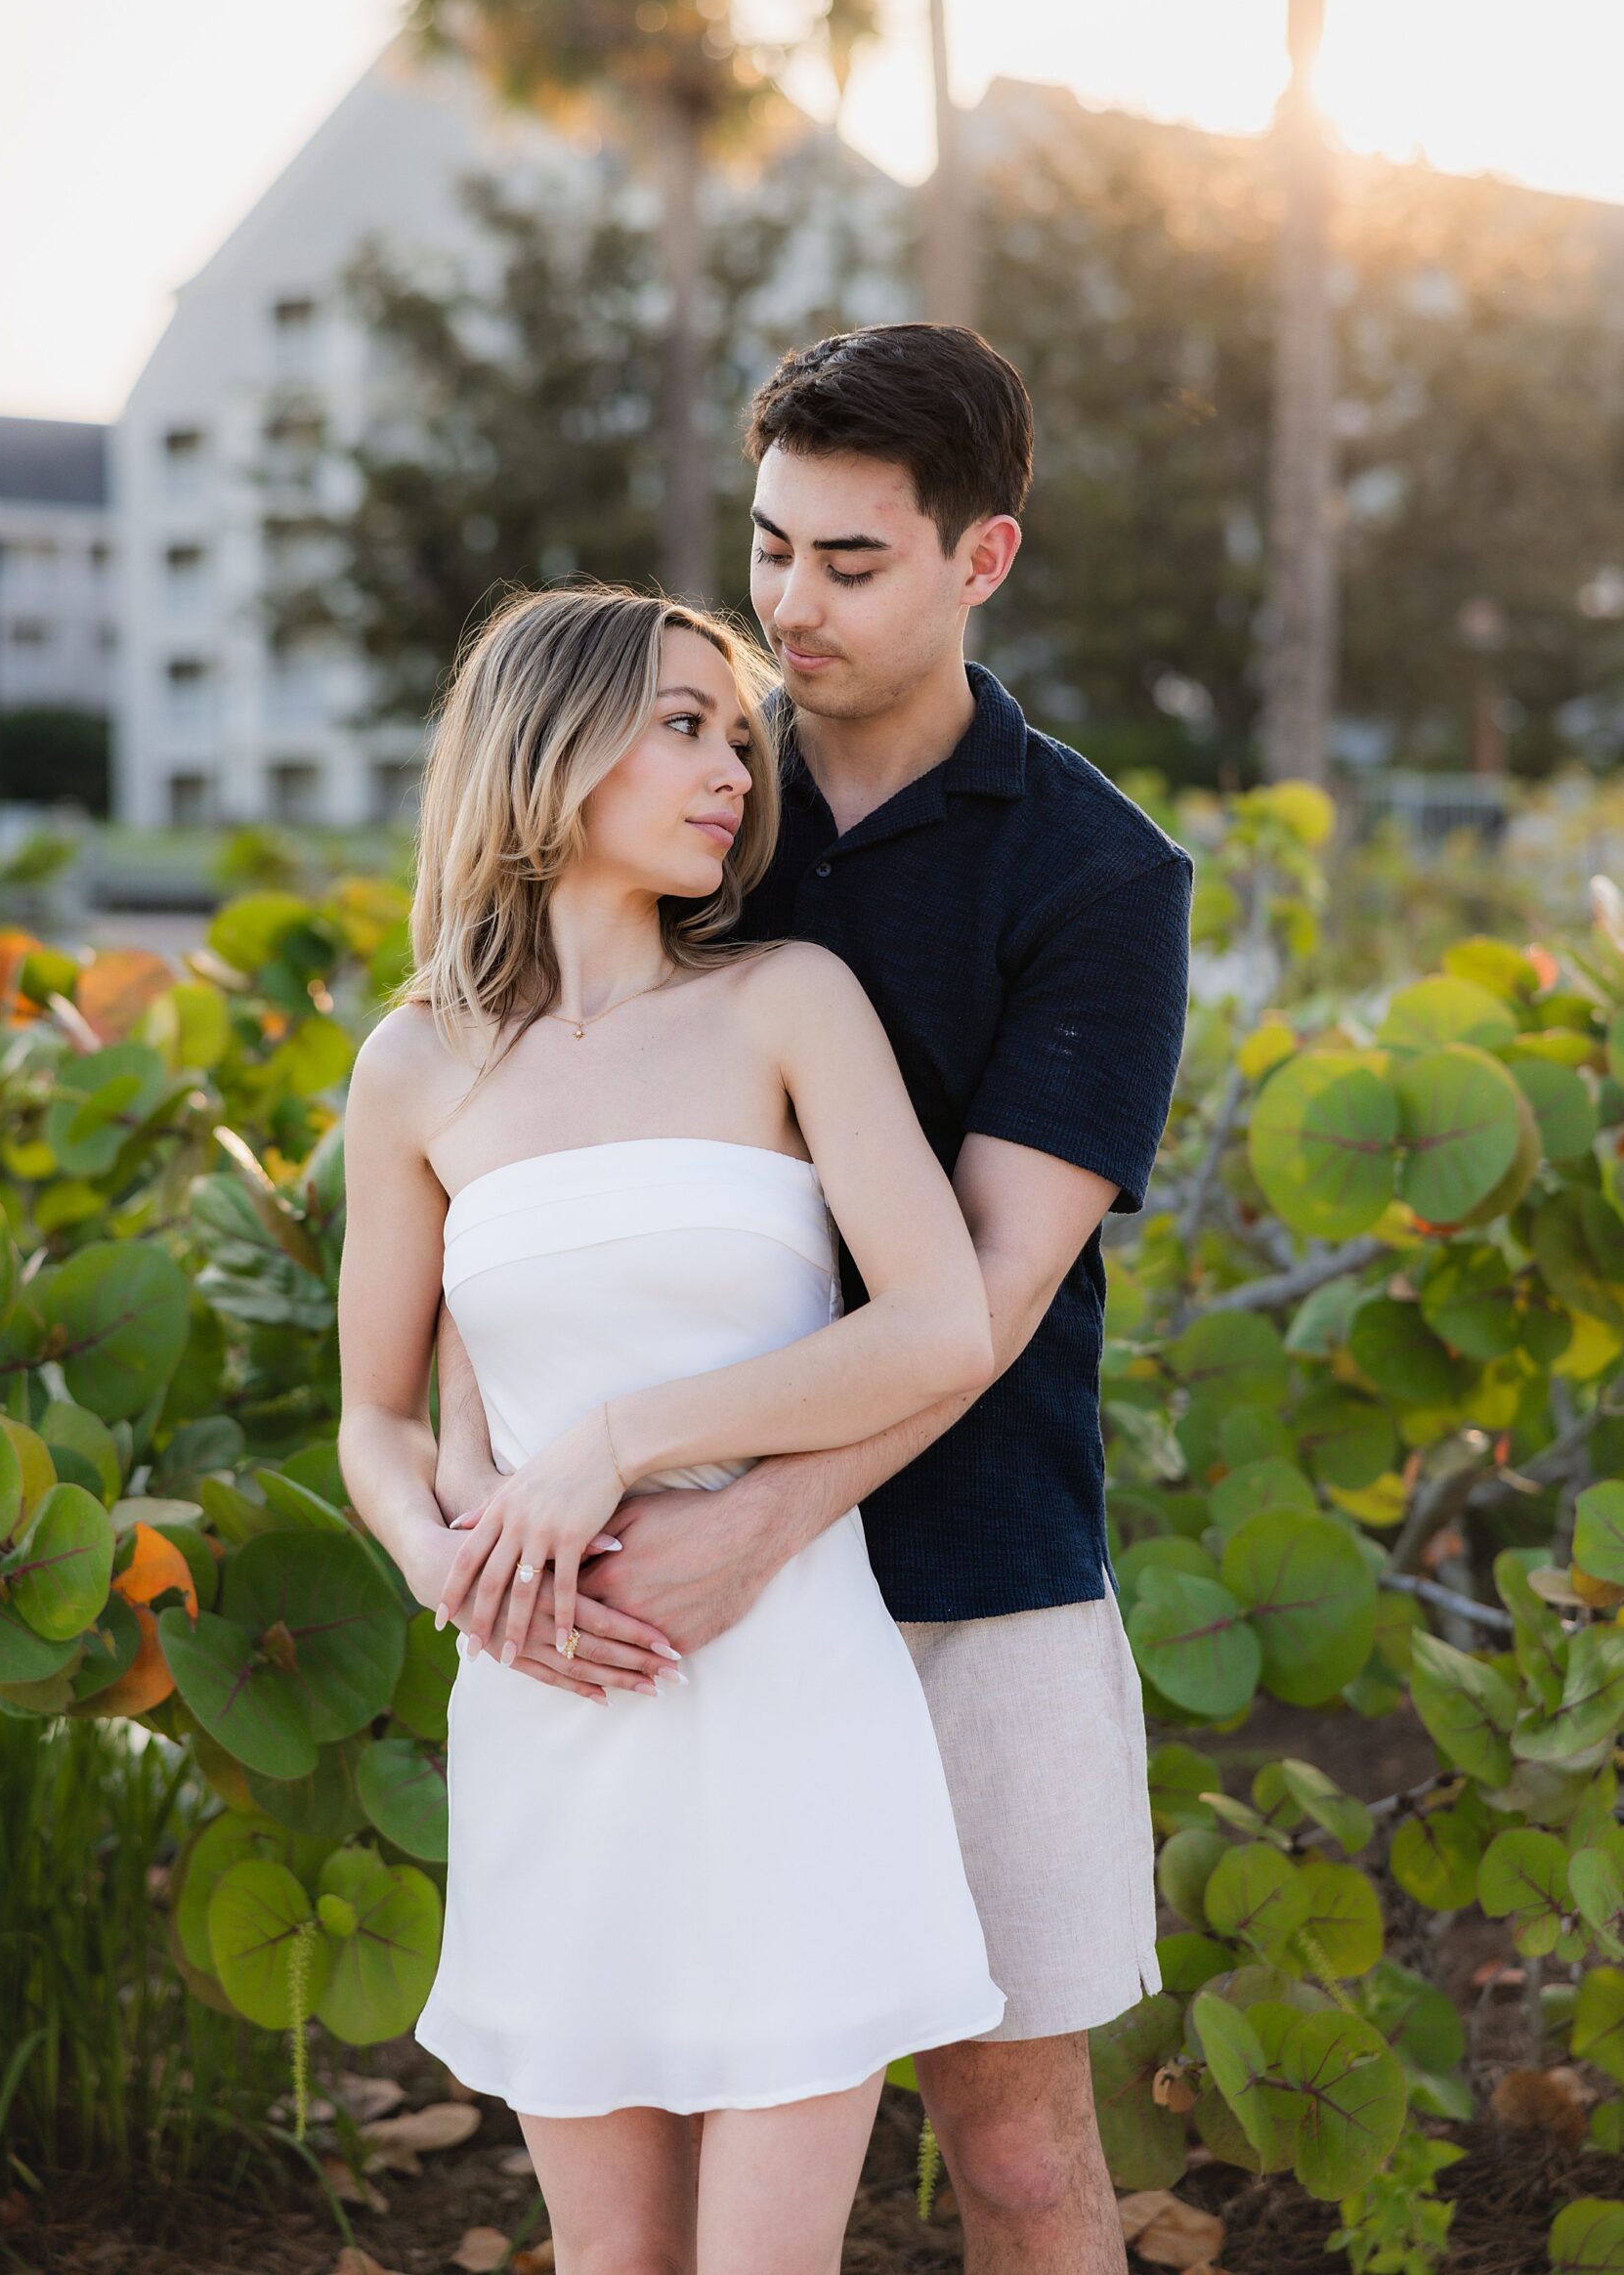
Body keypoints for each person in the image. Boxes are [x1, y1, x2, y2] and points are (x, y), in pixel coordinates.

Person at [436, 324, 1194, 2275]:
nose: (787, 604)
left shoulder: (1093, 870)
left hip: (971, 1565)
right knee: (694, 2173)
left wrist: (757, 1524)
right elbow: (500, 1139)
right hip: (659, 1605)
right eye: (769, 546)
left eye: (848, 561)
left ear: (980, 556)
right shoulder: (669, 785)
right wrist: (471, 1470)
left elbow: (993, 1285)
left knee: (1016, 2150)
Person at [336, 582, 1008, 2275]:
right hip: (549, 1711)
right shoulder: (415, 1066)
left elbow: (939, 1322)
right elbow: (371, 1418)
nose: (736, 767)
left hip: (788, 1697)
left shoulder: (789, 999)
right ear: (548, 747)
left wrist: (616, 1438)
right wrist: (450, 1567)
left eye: (738, 729)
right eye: (685, 723)